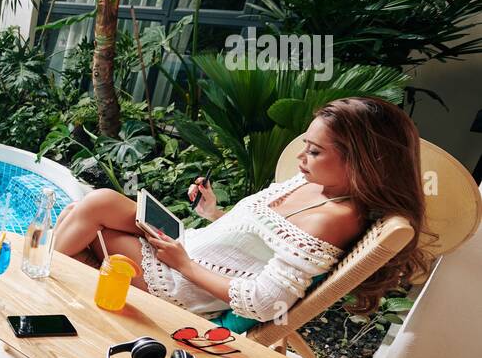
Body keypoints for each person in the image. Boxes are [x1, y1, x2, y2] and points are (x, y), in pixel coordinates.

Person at [51, 97, 432, 323]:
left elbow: (267, 304)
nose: (301, 157)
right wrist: (214, 213)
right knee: (89, 207)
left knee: (91, 215)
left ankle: (37, 276)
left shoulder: (331, 220)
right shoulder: (316, 185)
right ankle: (51, 275)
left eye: (315, 152)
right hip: (187, 248)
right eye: (306, 144)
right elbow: (260, 244)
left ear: (364, 162)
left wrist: (183, 264)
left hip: (185, 282)